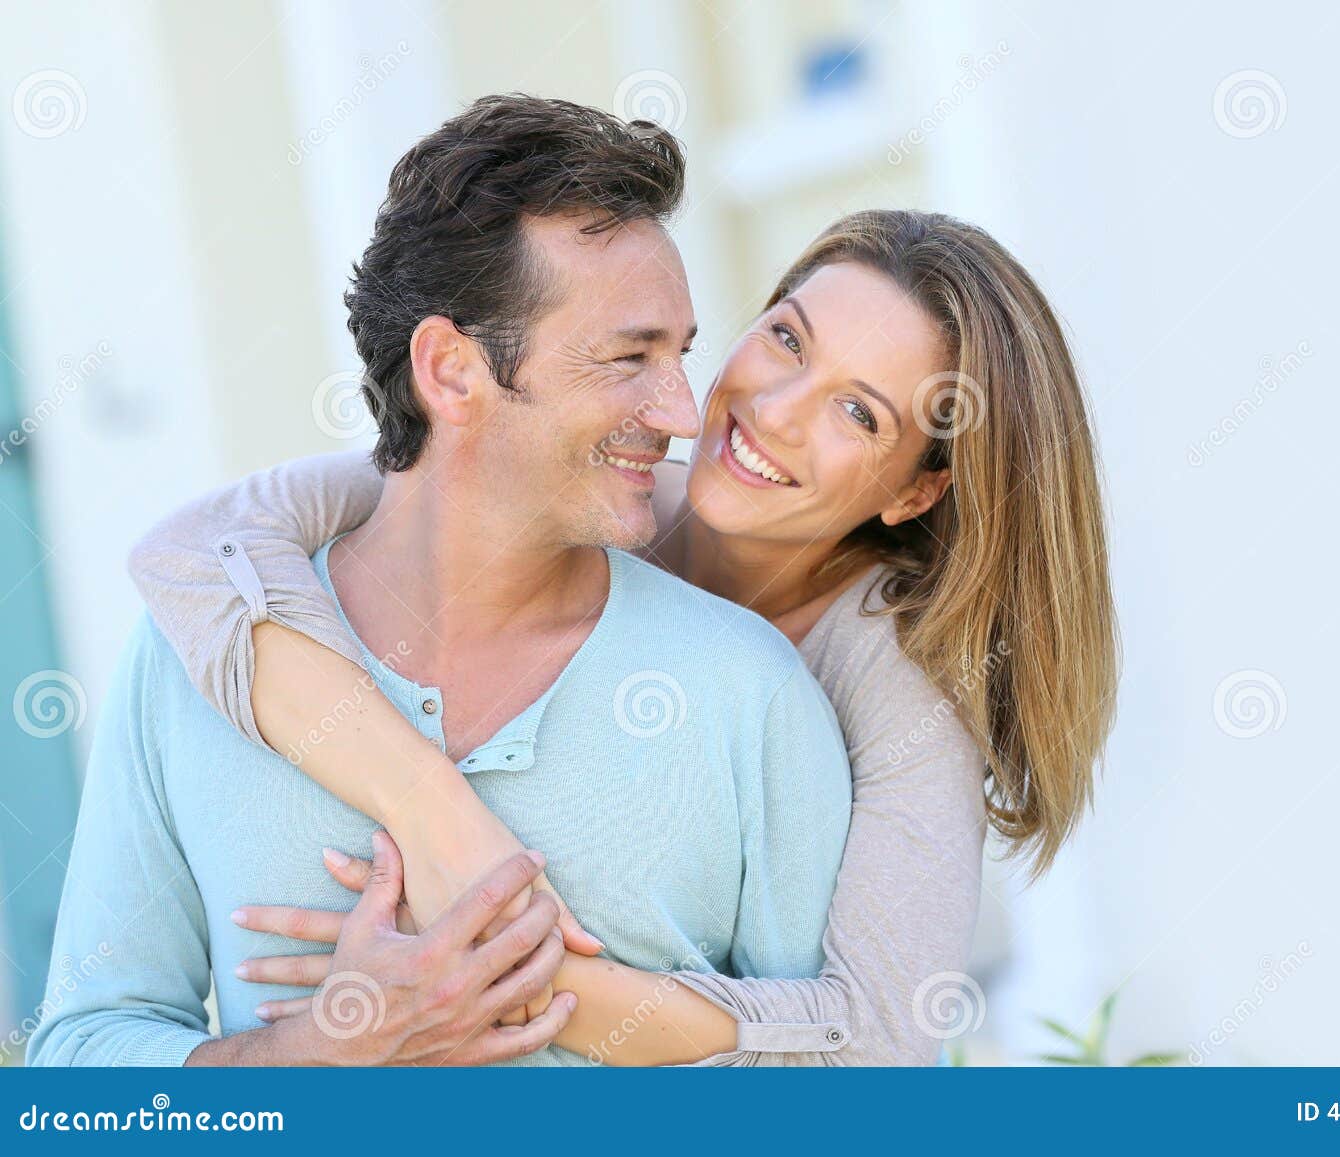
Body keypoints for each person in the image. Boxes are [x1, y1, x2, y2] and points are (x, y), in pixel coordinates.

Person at [118, 199, 1120, 1064]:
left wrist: (475, 962)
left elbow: (875, 1049)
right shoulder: (595, 497)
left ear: (916, 488)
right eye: (785, 338)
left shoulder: (897, 693)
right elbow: (196, 549)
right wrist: (436, 816)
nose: (770, 410)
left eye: (856, 412)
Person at [25, 95, 851, 1068]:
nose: (679, 410)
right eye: (629, 358)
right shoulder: (191, 665)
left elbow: (841, 1087)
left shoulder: (749, 694)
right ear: (451, 370)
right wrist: (321, 1050)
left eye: (680, 355)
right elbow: (75, 1065)